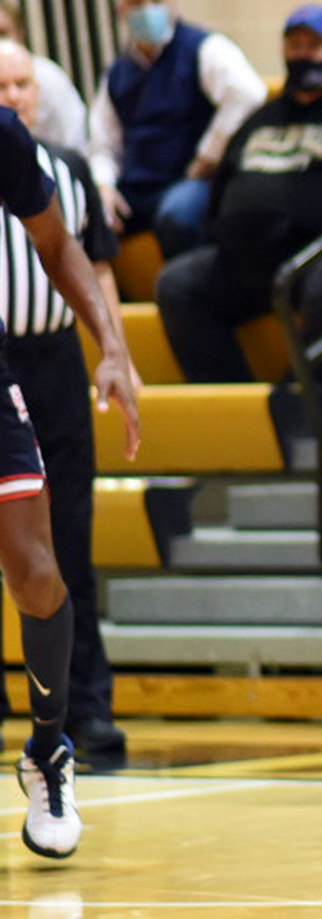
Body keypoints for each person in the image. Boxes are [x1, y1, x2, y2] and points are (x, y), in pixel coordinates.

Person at [154, 5, 322, 395]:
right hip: (251, 261)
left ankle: (301, 401)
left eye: (315, 45)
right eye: (295, 45)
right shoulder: (262, 117)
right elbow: (223, 188)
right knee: (178, 283)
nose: (304, 54)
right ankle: (237, 403)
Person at [0, 100, 141, 860]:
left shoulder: (3, 134)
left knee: (36, 569)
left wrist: (111, 345)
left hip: (13, 367)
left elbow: (57, 244)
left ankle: (50, 750)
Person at [86, 0, 265, 257]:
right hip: (136, 188)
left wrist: (207, 156)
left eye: (156, 1)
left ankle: (188, 294)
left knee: (178, 215)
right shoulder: (117, 73)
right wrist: (104, 187)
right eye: (136, 2)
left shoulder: (206, 47)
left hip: (191, 182)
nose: (147, 10)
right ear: (120, 10)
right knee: (88, 217)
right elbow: (102, 144)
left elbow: (248, 94)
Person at [0, 2, 87, 151]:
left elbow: (74, 147)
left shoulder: (47, 77)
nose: (13, 97)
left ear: (19, 34)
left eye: (3, 34)